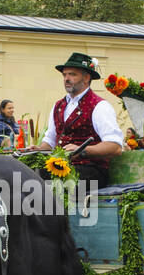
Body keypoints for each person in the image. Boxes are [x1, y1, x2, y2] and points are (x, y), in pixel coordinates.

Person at [35, 52, 123, 187]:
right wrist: (36, 150)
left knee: (52, 181)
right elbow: (50, 141)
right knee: (25, 174)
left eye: (72, 74)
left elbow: (114, 146)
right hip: (60, 168)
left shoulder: (99, 106)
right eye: (64, 75)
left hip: (91, 170)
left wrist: (82, 151)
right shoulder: (58, 105)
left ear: (86, 78)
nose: (66, 78)